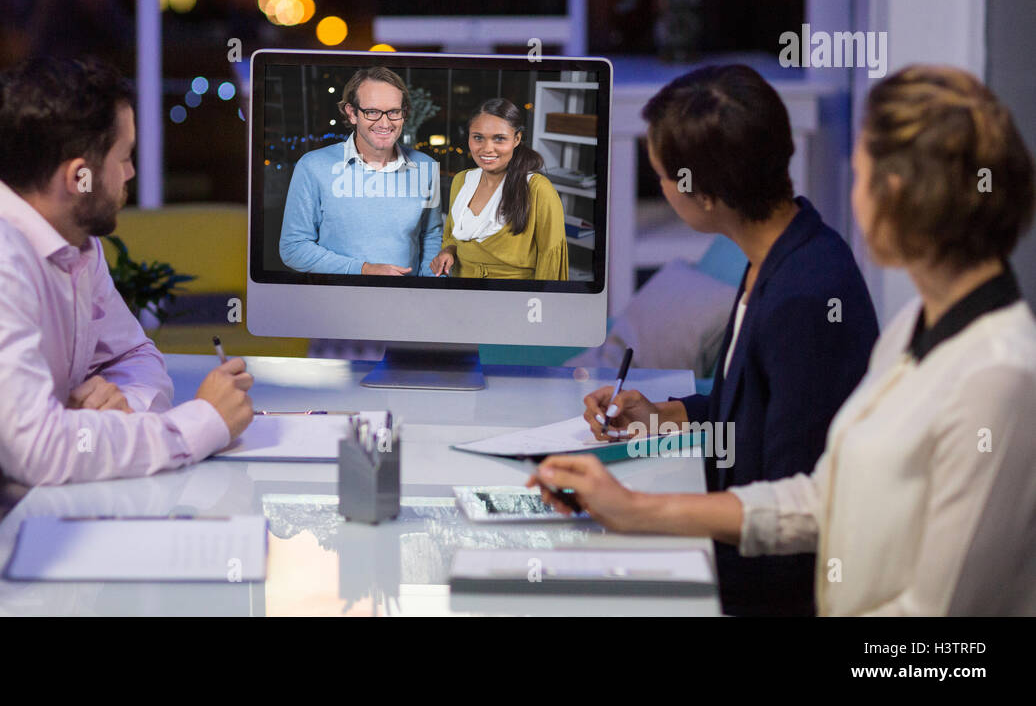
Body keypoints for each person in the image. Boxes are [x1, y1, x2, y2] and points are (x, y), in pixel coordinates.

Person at [536, 65, 1036, 616]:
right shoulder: (919, 322)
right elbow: (822, 498)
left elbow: (937, 633)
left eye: (861, 175)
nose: (855, 194)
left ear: (897, 194)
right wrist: (635, 506)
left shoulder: (996, 377)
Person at [0, 58, 254, 512]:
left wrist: (123, 402)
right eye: (124, 158)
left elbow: (136, 355)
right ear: (77, 177)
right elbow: (38, 451)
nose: (131, 174)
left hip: (19, 501)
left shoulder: (68, 237)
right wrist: (199, 423)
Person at [579, 64, 877, 616]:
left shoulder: (805, 299)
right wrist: (661, 416)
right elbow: (760, 416)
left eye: (663, 177)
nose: (662, 188)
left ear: (707, 196)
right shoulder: (780, 250)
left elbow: (794, 514)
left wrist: (640, 515)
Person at [279, 66, 443, 276]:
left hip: (406, 301)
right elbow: (293, 248)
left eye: (394, 112)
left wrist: (426, 288)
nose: (385, 123)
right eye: (372, 112)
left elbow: (431, 236)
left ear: (404, 114)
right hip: (337, 300)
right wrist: (363, 269)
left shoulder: (426, 167)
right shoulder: (312, 166)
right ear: (352, 113)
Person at [430, 99, 568, 280]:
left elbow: (551, 263)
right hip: (462, 293)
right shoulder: (461, 181)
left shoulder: (537, 189)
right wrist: (448, 251)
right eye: (478, 137)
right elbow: (451, 238)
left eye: (499, 138)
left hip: (514, 300)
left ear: (516, 139)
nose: (487, 149)